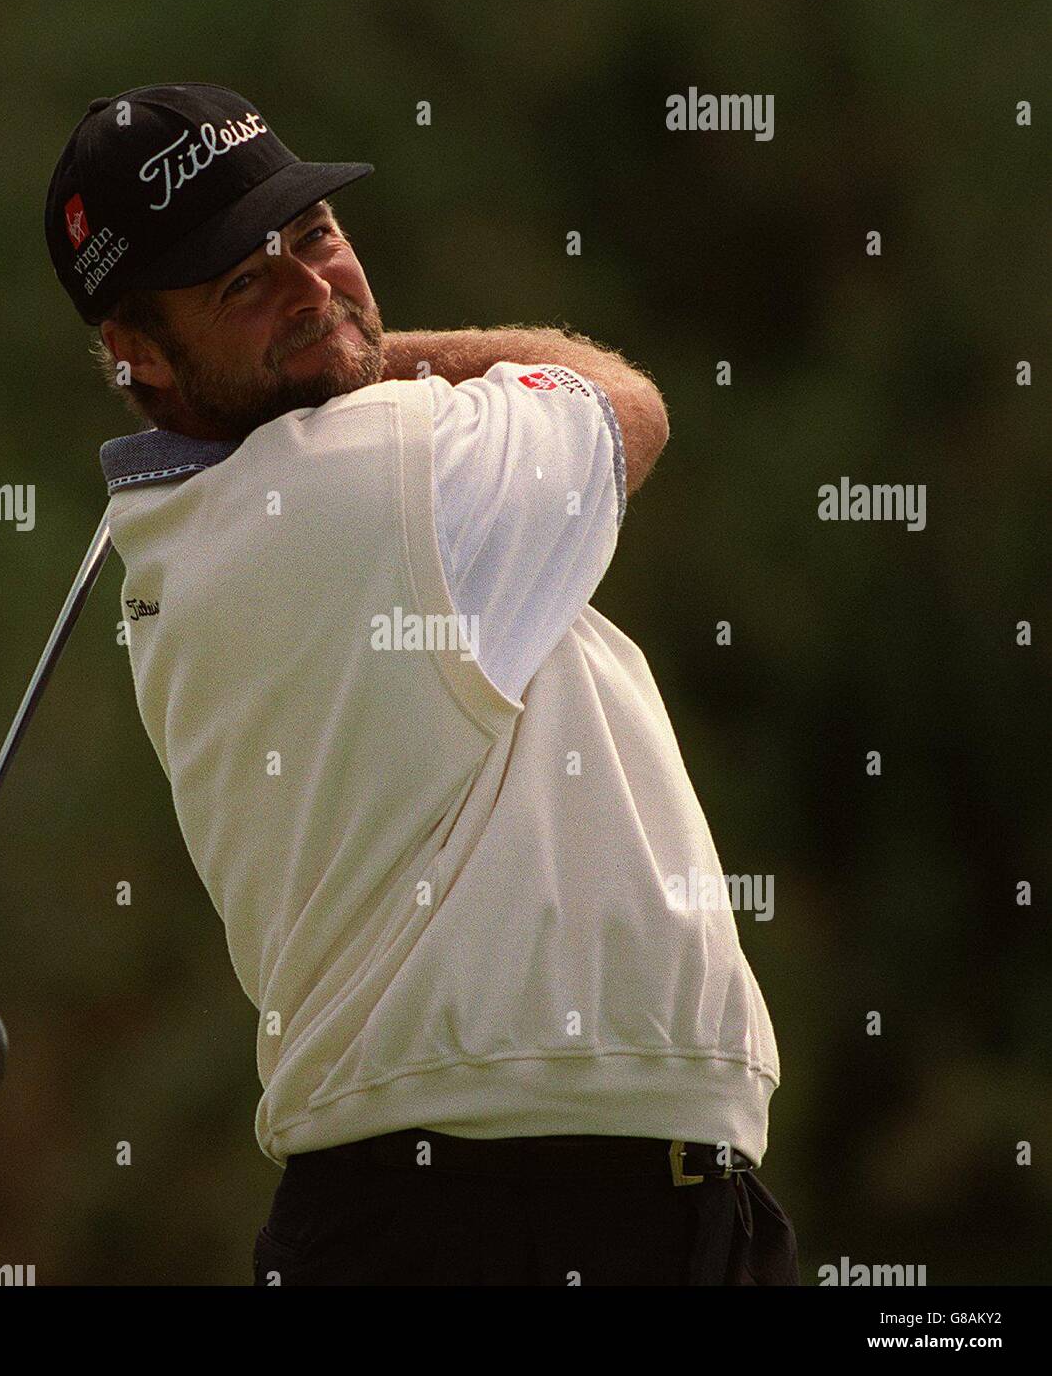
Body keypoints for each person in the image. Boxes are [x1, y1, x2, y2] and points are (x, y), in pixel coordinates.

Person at [45, 82, 798, 1286]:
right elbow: (627, 406)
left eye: (313, 237)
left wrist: (325, 356)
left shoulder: (201, 526)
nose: (307, 287)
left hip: (521, 1192)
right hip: (506, 1207)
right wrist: (371, 354)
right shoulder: (362, 471)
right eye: (243, 283)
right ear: (137, 358)